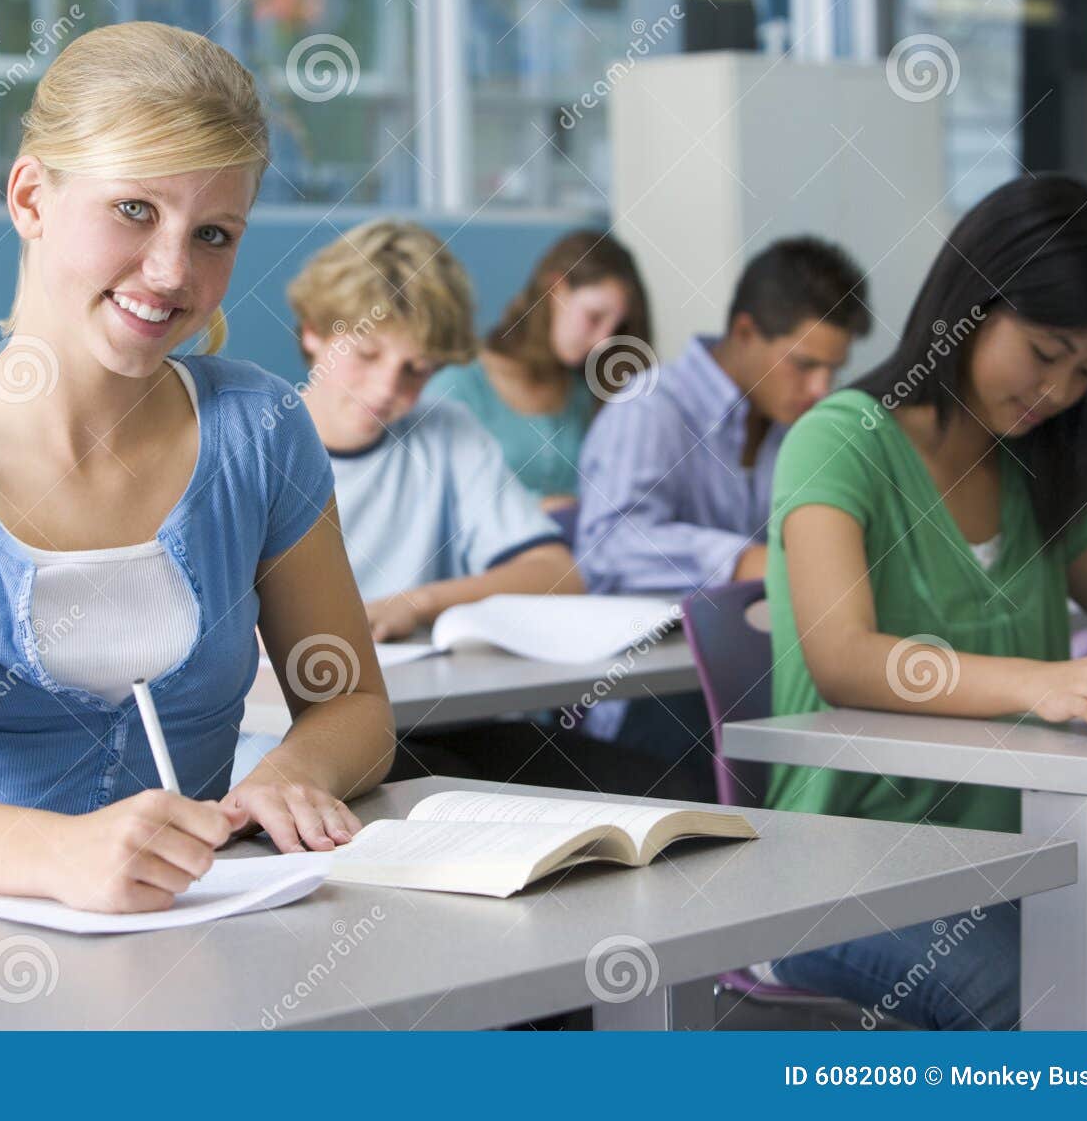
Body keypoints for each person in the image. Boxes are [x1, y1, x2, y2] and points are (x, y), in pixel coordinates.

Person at [0, 22, 394, 914]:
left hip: (195, 939)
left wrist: (293, 773)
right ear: (32, 197)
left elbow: (351, 703)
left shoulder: (261, 430)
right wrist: (64, 854)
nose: (170, 272)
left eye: (215, 233)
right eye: (135, 210)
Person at [763, 174, 1087, 1028]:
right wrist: (1039, 681)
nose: (1063, 392)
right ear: (973, 302)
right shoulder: (840, 440)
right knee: (1034, 998)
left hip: (1020, 861)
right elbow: (840, 657)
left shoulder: (1038, 466)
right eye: (1045, 353)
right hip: (837, 870)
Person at [290, 219, 703, 799]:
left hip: (443, 720)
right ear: (312, 331)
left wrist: (416, 604)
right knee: (433, 793)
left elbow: (558, 574)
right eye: (366, 354)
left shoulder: (445, 432)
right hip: (311, 742)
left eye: (417, 370)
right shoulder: (260, 441)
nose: (388, 390)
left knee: (665, 785)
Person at [576, 236, 870, 594]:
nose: (820, 389)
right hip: (652, 644)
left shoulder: (798, 425)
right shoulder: (649, 407)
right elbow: (607, 548)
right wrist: (743, 562)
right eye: (804, 365)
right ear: (745, 333)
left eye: (832, 369)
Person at [423, 229, 651, 509]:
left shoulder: (589, 394)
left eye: (616, 327)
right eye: (594, 317)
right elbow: (438, 503)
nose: (604, 342)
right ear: (556, 289)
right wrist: (545, 508)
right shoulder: (457, 388)